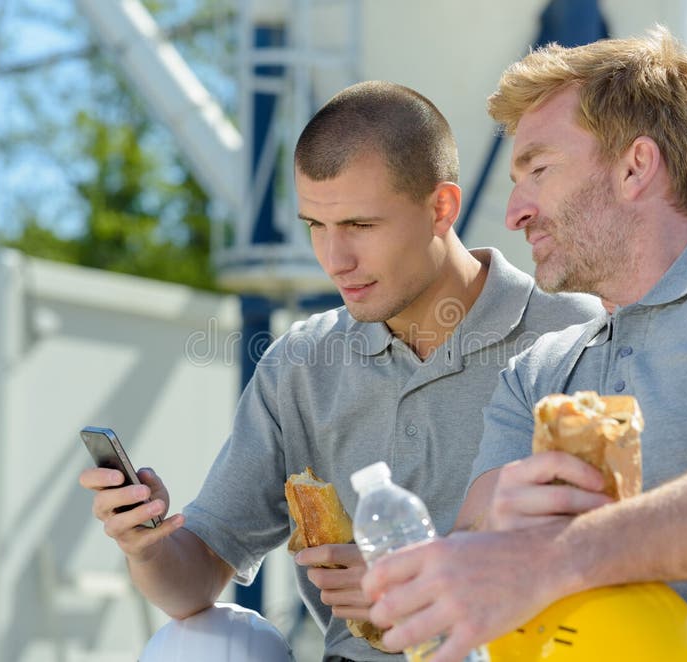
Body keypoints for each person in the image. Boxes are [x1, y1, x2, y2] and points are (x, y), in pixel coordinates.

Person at [361, 27, 687, 662]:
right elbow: (474, 565)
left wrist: (553, 555)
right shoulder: (538, 372)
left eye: (539, 169)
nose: (514, 212)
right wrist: (485, 538)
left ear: (635, 166)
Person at [79, 80, 601, 661]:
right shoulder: (299, 365)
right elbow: (192, 582)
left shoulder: (573, 333)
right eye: (315, 226)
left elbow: (608, 547)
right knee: (191, 645)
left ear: (440, 208)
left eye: (360, 225)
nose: (334, 260)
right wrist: (145, 544)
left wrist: (415, 583)